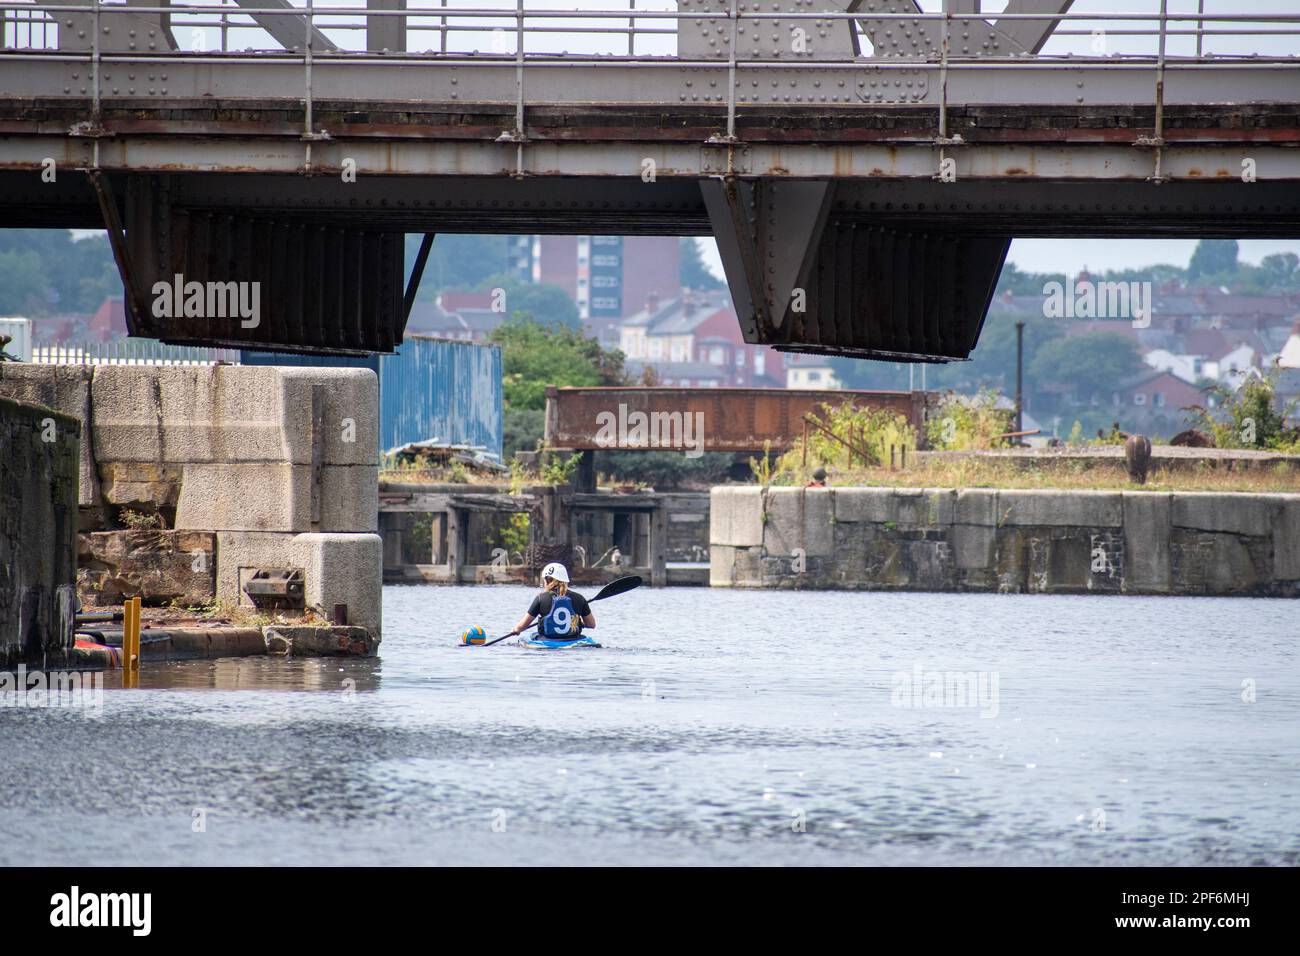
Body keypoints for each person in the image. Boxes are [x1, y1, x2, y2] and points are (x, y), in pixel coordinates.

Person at [507, 562, 595, 640]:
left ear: (547, 580)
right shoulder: (579, 598)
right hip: (573, 640)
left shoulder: (541, 598)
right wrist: (578, 623)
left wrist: (516, 630)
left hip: (548, 640)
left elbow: (522, 626)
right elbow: (591, 624)